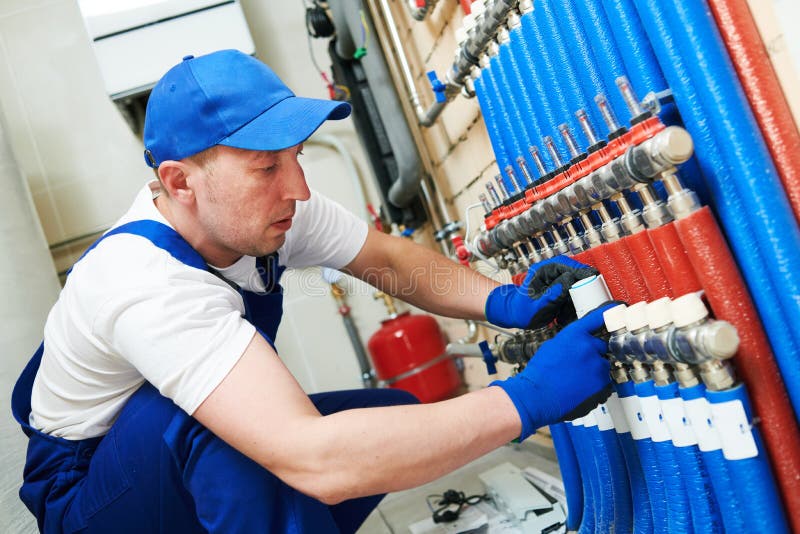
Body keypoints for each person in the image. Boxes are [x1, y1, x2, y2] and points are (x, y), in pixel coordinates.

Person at [11, 50, 612, 533]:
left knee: (394, 423)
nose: (296, 188)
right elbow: (315, 457)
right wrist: (528, 398)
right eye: (266, 167)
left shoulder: (265, 210)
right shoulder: (143, 281)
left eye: (296, 157)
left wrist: (504, 302)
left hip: (160, 467)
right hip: (89, 496)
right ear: (179, 182)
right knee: (233, 437)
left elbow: (389, 260)